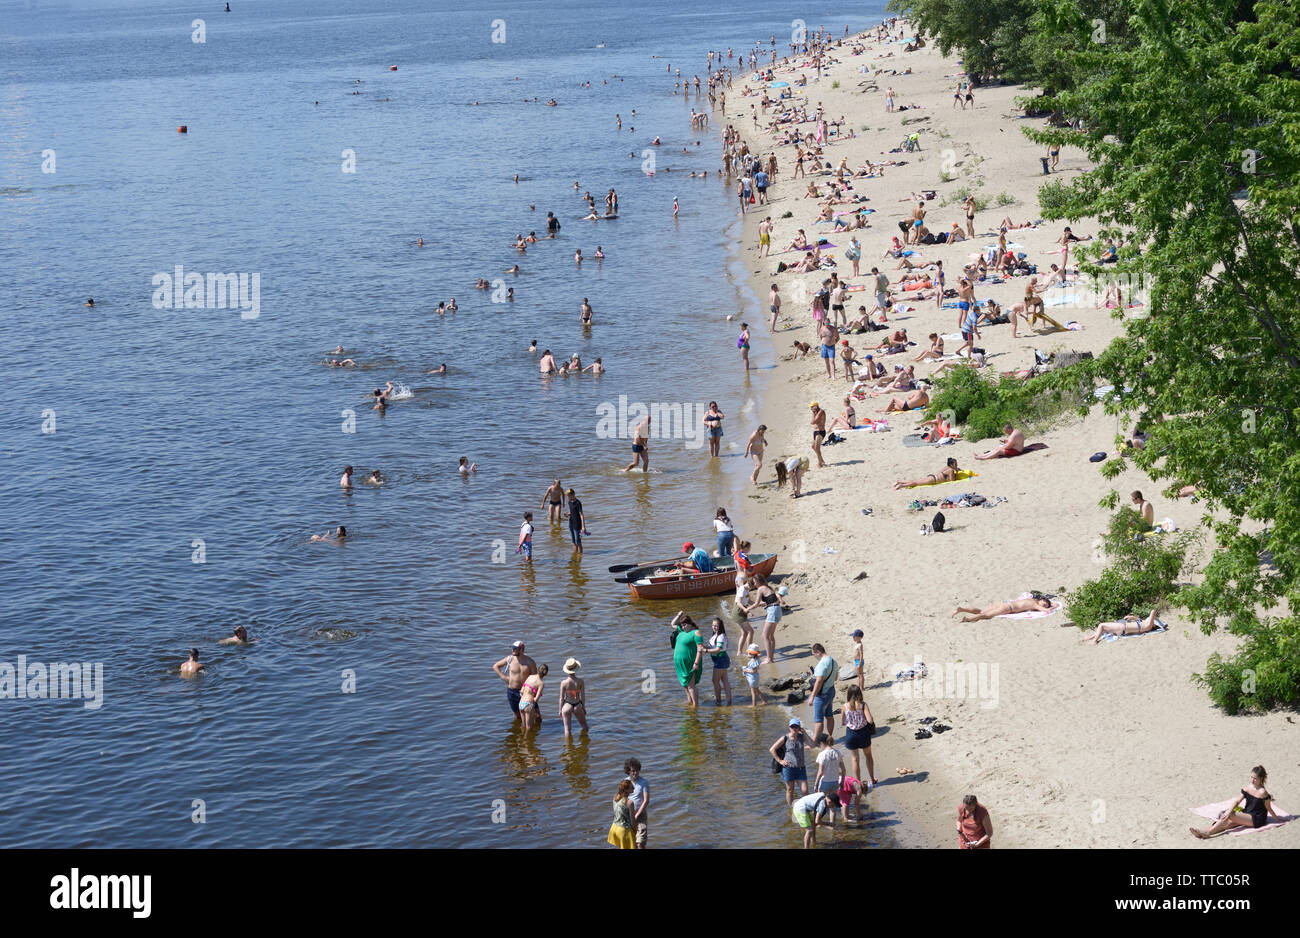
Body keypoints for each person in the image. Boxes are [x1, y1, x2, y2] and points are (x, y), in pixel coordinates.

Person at [1191, 766, 1280, 838]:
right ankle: (1203, 832)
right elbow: (1237, 801)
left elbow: (1269, 808)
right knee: (1227, 823)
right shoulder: (1248, 788)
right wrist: (1228, 811)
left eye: (1255, 778)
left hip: (1257, 819)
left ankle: (1207, 833)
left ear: (1261, 779)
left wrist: (1278, 820)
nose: (1252, 780)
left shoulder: (1263, 792)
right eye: (1251, 777)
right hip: (1247, 813)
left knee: (1230, 814)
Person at [493, 641, 538, 723]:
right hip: (512, 691)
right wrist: (504, 677)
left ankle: (534, 734)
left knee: (537, 716)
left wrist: (535, 694)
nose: (512, 650)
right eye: (512, 648)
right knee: (517, 716)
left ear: (521, 649)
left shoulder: (530, 662)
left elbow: (535, 679)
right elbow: (496, 666)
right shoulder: (509, 659)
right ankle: (519, 733)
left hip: (527, 692)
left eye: (515, 649)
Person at [771, 718, 814, 805]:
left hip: (801, 768)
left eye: (796, 727)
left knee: (805, 791)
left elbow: (812, 745)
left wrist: (804, 733)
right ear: (789, 728)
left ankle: (806, 808)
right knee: (790, 790)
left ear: (799, 728)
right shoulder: (785, 738)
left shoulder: (802, 737)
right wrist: (780, 761)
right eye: (792, 726)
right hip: (788, 768)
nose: (794, 728)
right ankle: (791, 808)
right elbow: (772, 749)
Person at [670, 611, 705, 707]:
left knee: (691, 686)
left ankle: (695, 706)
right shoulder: (681, 631)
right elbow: (672, 624)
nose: (683, 627)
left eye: (685, 625)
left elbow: (700, 649)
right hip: (680, 664)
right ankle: (690, 702)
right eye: (682, 625)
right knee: (685, 686)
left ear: (690, 624)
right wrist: (679, 615)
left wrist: (696, 663)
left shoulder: (696, 633)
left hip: (690, 663)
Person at [808, 643, 839, 741]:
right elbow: (836, 677)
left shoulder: (822, 664)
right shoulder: (834, 661)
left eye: (813, 654)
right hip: (831, 691)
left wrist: (812, 696)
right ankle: (829, 737)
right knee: (829, 715)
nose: (813, 657)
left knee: (818, 719)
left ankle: (814, 741)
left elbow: (819, 680)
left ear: (818, 652)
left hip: (822, 694)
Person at [1082, 609, 1166, 644]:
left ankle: (1094, 641)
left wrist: (1157, 620)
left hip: (1123, 627)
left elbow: (1153, 611)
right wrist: (1132, 617)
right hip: (1123, 629)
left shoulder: (1149, 625)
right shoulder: (1145, 624)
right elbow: (1139, 621)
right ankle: (1090, 638)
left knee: (1101, 625)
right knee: (1104, 629)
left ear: (1154, 625)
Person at [952, 595, 1054, 622]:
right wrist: (1053, 606)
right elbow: (1047, 610)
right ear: (1041, 600)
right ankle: (968, 619)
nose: (1043, 606)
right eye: (1044, 604)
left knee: (981, 611)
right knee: (986, 616)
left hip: (1005, 602)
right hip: (1008, 607)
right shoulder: (1035, 604)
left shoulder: (1030, 599)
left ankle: (961, 609)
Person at [704, 617, 732, 705]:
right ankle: (729, 701)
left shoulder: (721, 636)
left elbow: (717, 649)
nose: (714, 627)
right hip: (722, 659)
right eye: (713, 625)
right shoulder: (715, 635)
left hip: (720, 660)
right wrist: (703, 647)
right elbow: (711, 647)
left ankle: (718, 701)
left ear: (720, 626)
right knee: (725, 681)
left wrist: (705, 651)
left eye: (716, 626)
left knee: (715, 681)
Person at [558, 658, 589, 735]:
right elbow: (583, 696)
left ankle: (568, 747)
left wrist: (560, 710)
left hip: (567, 705)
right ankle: (585, 743)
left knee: (567, 729)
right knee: (584, 726)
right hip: (577, 705)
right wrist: (584, 707)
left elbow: (561, 698)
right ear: (576, 669)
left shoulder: (564, 683)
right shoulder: (580, 681)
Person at [624, 758, 650, 848]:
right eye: (633, 771)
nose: (635, 773)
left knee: (640, 843)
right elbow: (622, 798)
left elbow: (646, 801)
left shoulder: (644, 782)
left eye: (637, 770)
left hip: (641, 815)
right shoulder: (625, 782)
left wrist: (637, 815)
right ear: (628, 771)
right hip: (628, 815)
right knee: (632, 842)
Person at [894, 457, 963, 489]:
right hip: (933, 480)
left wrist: (957, 469)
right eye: (955, 464)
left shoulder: (947, 467)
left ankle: (899, 482)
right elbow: (952, 480)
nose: (957, 465)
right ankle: (902, 485)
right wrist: (956, 473)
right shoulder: (951, 470)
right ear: (951, 465)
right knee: (916, 483)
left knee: (916, 480)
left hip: (932, 477)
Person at [813, 733, 844, 797]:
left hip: (825, 782)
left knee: (822, 802)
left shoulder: (822, 754)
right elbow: (843, 769)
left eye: (819, 745)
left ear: (821, 743)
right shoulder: (838, 753)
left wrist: (816, 784)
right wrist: (842, 782)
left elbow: (820, 772)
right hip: (835, 781)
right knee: (833, 803)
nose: (820, 747)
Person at [518, 664, 548, 731]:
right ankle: (527, 740)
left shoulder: (530, 676)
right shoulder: (541, 683)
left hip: (521, 702)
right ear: (546, 673)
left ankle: (521, 740)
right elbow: (536, 699)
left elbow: (522, 691)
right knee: (529, 728)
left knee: (523, 725)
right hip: (528, 703)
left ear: (538, 670)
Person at [608, 780, 637, 849]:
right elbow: (633, 821)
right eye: (632, 787)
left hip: (614, 827)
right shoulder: (629, 803)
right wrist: (635, 831)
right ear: (626, 790)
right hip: (624, 830)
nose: (634, 788)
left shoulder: (615, 798)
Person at [565, 488, 589, 553]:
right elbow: (573, 512)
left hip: (577, 525)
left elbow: (581, 515)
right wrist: (568, 514)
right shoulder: (569, 502)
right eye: (567, 496)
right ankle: (575, 555)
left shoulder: (578, 503)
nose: (568, 497)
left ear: (573, 495)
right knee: (573, 542)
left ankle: (580, 556)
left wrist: (583, 527)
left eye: (569, 495)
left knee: (578, 542)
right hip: (571, 524)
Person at [741, 643, 763, 707]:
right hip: (755, 678)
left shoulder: (753, 661)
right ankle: (763, 701)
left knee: (753, 692)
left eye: (749, 653)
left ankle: (754, 705)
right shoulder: (755, 659)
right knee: (757, 690)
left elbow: (754, 671)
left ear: (753, 654)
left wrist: (746, 670)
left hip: (753, 678)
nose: (748, 654)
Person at [810, 401, 827, 468]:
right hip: (815, 432)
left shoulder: (821, 412)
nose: (811, 409)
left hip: (820, 432)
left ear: (816, 406)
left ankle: (820, 463)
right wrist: (813, 413)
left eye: (812, 407)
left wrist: (813, 414)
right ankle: (821, 460)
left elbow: (813, 422)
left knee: (817, 448)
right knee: (813, 446)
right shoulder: (815, 412)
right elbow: (813, 421)